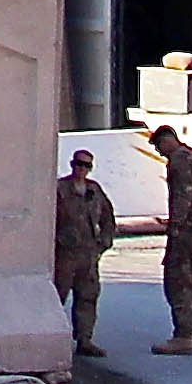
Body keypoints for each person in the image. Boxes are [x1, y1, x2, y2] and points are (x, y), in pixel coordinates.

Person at [145, 120, 192, 352]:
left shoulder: (178, 160)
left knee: (179, 280)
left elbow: (183, 195)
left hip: (188, 230)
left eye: (159, 147)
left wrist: (175, 226)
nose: (160, 153)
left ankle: (183, 335)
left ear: (167, 140)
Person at [52, 148, 120, 355]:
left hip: (88, 255)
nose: (81, 169)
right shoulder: (60, 189)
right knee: (57, 297)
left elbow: (108, 218)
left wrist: (104, 242)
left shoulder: (94, 191)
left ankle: (85, 339)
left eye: (86, 166)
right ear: (72, 165)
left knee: (87, 297)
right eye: (78, 164)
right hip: (65, 254)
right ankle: (53, 339)